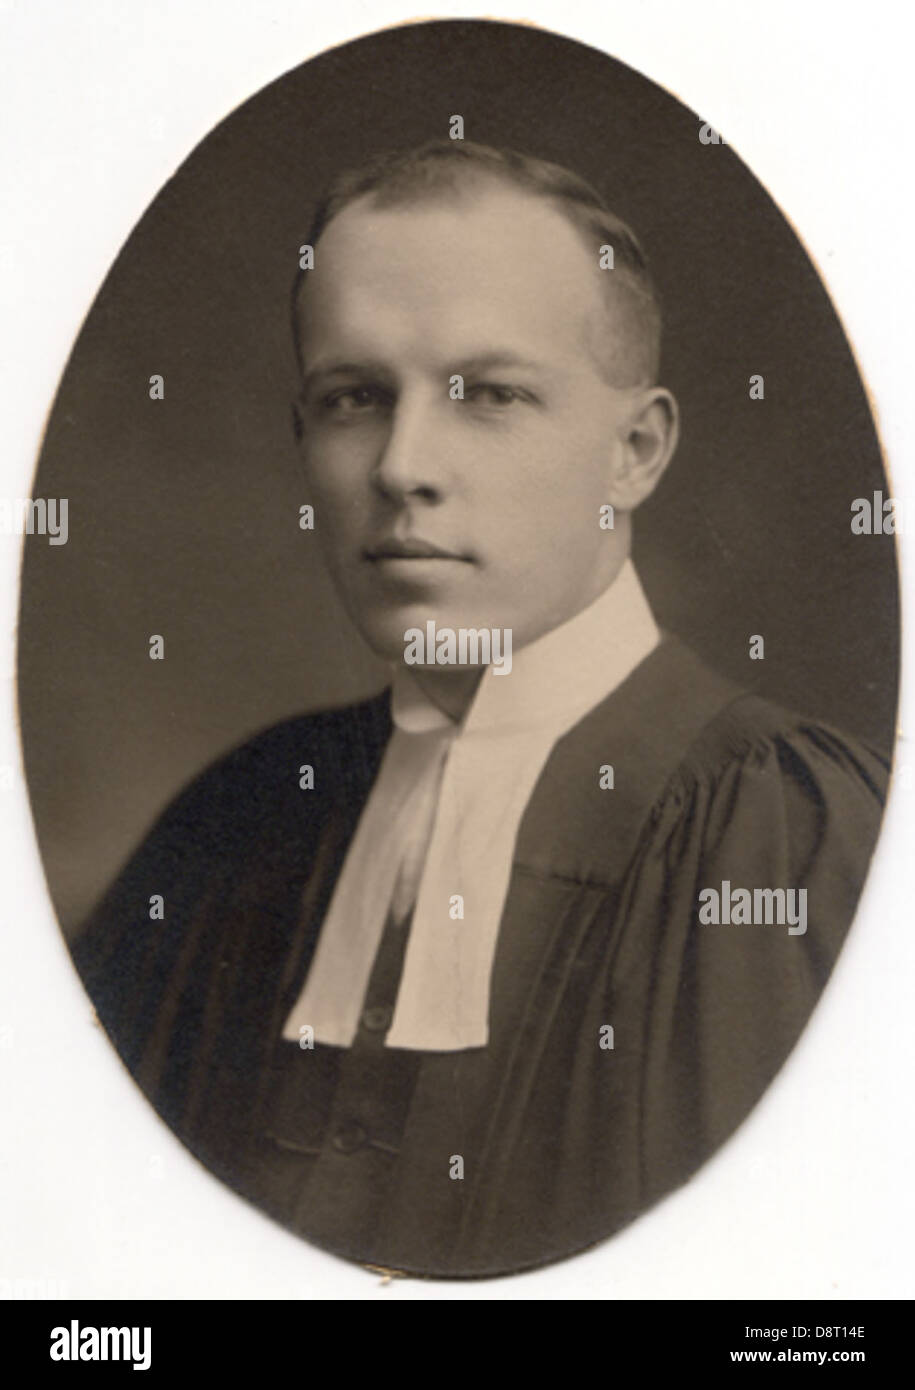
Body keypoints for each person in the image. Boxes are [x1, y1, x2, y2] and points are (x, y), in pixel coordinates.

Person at [73, 141, 888, 1278]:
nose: (403, 465)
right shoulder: (237, 821)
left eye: (490, 394)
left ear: (637, 451)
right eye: (353, 398)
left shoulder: (785, 834)